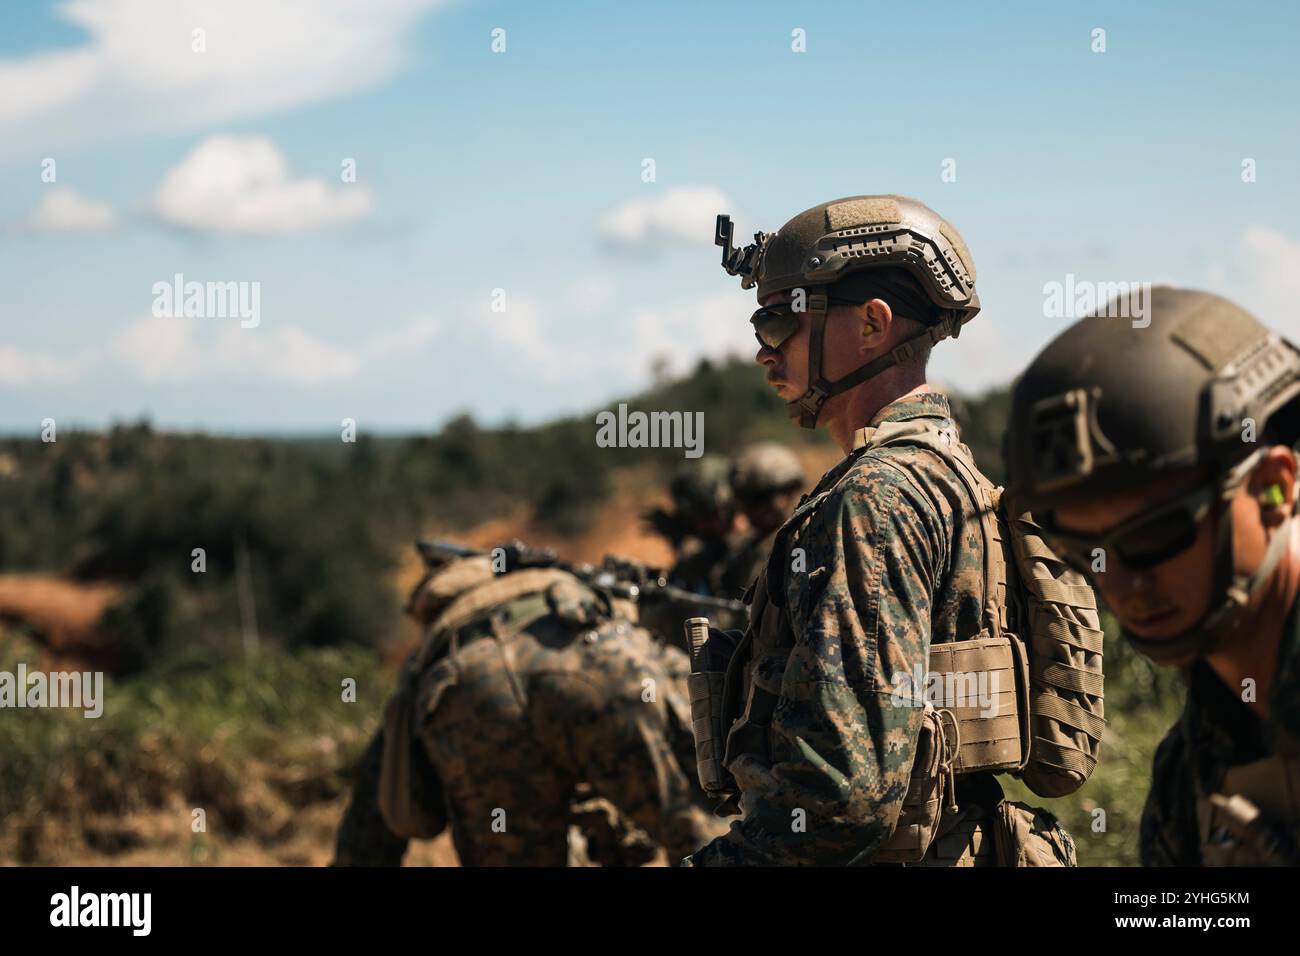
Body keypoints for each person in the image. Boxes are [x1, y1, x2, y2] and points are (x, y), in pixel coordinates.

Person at [684, 195, 1076, 866]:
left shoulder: (874, 498)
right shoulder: (958, 478)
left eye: (779, 322)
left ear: (872, 324)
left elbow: (841, 803)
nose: (761, 352)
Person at [1004, 286, 1300, 866]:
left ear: (1275, 488)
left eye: (1151, 538)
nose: (1121, 587)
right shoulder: (1192, 765)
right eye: (1081, 551)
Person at [333, 546, 724, 866]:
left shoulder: (434, 649)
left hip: (473, 691)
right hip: (591, 661)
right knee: (695, 828)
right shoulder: (558, 584)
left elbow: (374, 811)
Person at [720, 442, 806, 600]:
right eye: (743, 499)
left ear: (787, 493)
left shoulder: (798, 542)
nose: (747, 509)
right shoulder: (748, 548)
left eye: (757, 499)